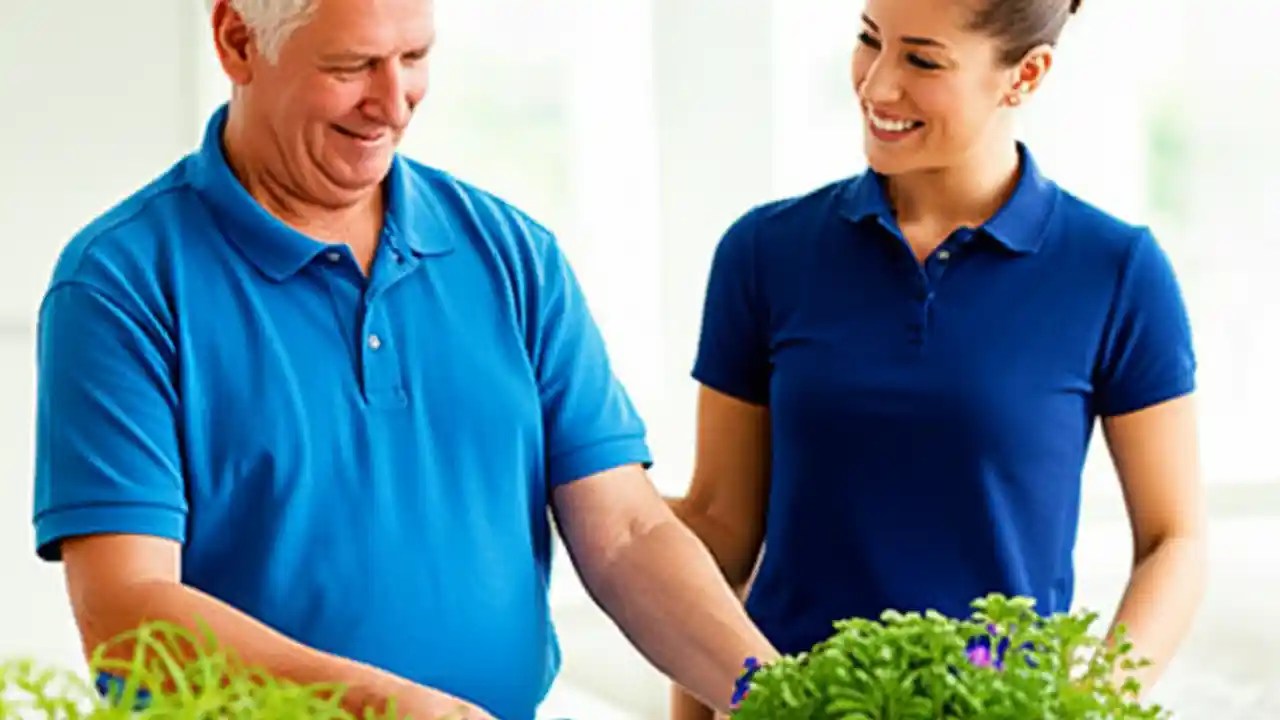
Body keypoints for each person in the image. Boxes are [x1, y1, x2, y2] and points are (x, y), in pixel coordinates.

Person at [30, 1, 779, 718]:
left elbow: (626, 535)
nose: (393, 104)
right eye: (352, 65)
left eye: (415, 56)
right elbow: (129, 618)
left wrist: (781, 697)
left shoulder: (513, 256)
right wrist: (384, 708)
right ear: (236, 41)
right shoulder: (122, 282)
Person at [668, 0, 1207, 717]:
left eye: (922, 59)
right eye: (869, 40)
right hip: (795, 706)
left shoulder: (1114, 270)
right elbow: (719, 531)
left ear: (1027, 74)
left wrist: (1091, 702)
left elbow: (1174, 539)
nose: (876, 84)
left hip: (1005, 705)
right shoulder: (766, 253)